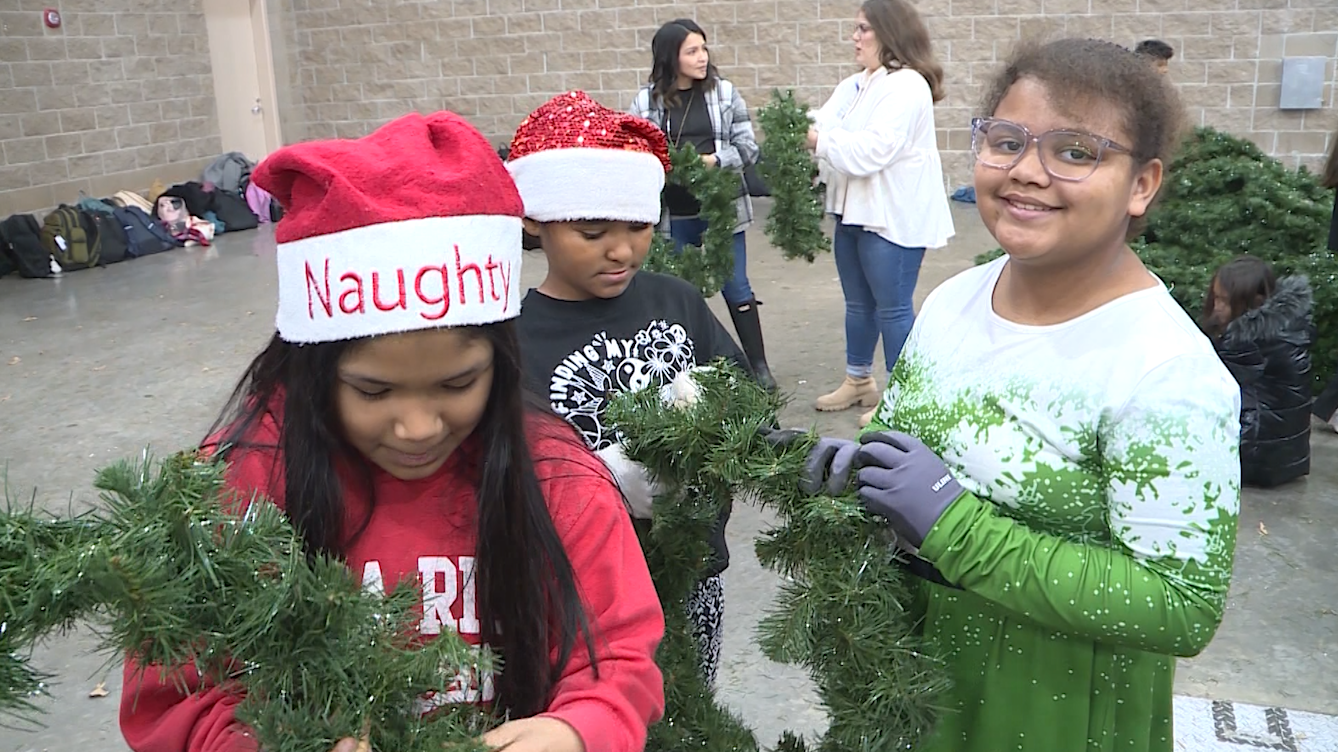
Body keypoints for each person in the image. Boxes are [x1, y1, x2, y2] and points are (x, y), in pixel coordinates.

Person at [119, 112, 666, 752]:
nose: (417, 428)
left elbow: (618, 654)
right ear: (312, 371)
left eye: (458, 385)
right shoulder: (244, 483)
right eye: (373, 392)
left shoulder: (554, 474)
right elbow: (172, 692)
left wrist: (575, 730)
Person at [770, 38, 1241, 752]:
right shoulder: (957, 297)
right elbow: (910, 449)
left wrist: (954, 525)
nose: (1026, 171)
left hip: (1046, 705)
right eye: (1006, 140)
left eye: (1076, 151)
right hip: (910, 678)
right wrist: (861, 470)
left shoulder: (1165, 369)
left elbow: (1181, 607)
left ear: (1142, 184)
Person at [507, 91, 751, 690]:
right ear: (536, 220)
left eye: (640, 227)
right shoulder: (511, 342)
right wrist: (603, 481)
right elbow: (510, 478)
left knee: (692, 704)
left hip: (693, 570)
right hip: (585, 586)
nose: (622, 251)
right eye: (592, 232)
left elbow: (746, 396)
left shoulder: (676, 301)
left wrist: (713, 405)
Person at [806, 0, 955, 427]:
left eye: (863, 29)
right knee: (858, 303)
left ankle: (903, 397)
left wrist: (819, 141)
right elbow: (824, 123)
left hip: (892, 216)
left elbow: (874, 149)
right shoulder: (859, 83)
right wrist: (808, 133)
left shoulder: (908, 85)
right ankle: (858, 380)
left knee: (892, 307)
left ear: (890, 34)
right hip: (852, 211)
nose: (855, 37)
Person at [629, 19, 775, 391]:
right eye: (692, 51)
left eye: (704, 49)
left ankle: (758, 367)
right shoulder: (646, 101)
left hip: (721, 211)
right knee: (680, 290)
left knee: (736, 284)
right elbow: (636, 152)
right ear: (670, 57)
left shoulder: (724, 93)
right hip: (672, 216)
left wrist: (713, 161)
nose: (702, 57)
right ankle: (688, 371)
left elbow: (747, 147)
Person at [1203, 255, 1314, 487]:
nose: (1217, 308)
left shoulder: (1251, 342)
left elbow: (1202, 381)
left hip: (1261, 457)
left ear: (1255, 300)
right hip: (1288, 455)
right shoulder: (1285, 325)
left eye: (1224, 301)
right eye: (1215, 298)